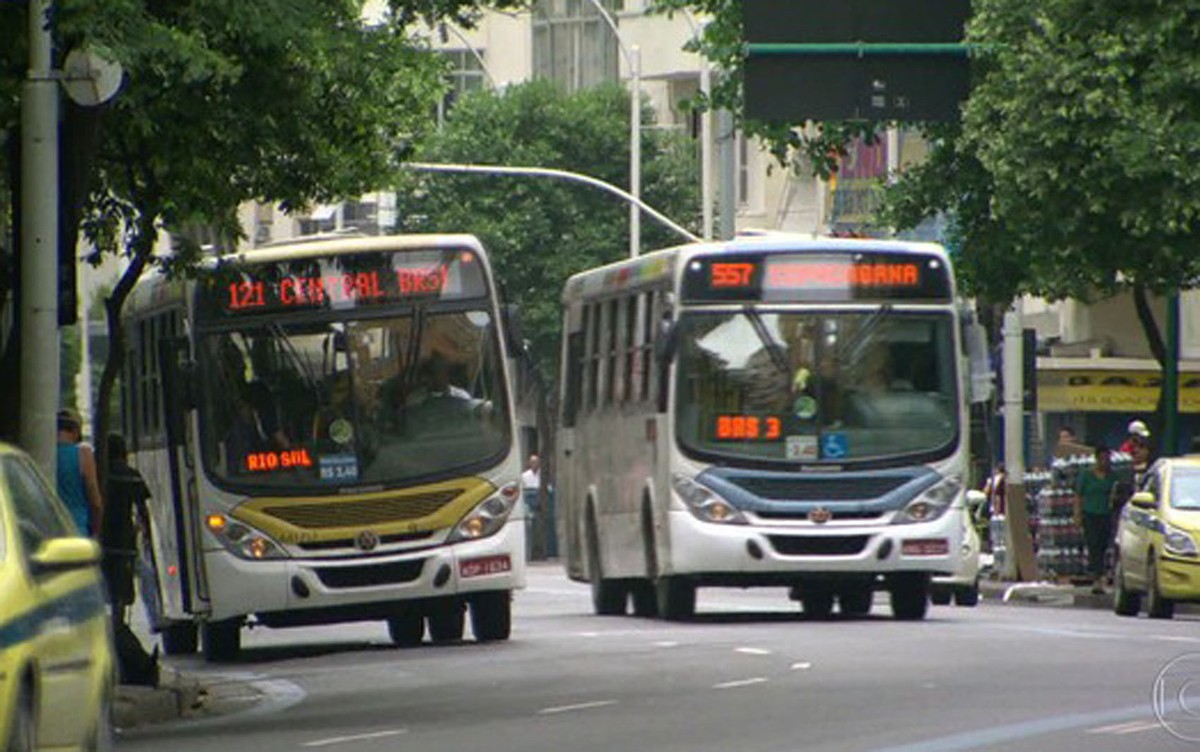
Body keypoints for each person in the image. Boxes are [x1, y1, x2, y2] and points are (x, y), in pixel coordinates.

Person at [1073, 445, 1119, 594]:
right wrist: (1077, 515)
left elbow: (1117, 494)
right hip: (1090, 514)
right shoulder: (1086, 475)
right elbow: (1079, 496)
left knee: (1103, 544)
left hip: (1105, 514)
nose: (1105, 462)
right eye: (1102, 459)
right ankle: (1096, 578)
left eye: (1107, 459)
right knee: (1093, 545)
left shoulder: (1112, 477)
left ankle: (1102, 574)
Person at [55, 409, 103, 537]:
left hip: (48, 533)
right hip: (77, 531)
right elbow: (95, 500)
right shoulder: (84, 454)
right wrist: (97, 532)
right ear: (76, 431)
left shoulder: (43, 455)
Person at [522, 453, 541, 558]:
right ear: (529, 463)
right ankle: (529, 553)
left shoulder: (543, 475)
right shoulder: (524, 476)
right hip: (528, 505)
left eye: (536, 462)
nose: (534, 464)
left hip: (539, 505)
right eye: (532, 462)